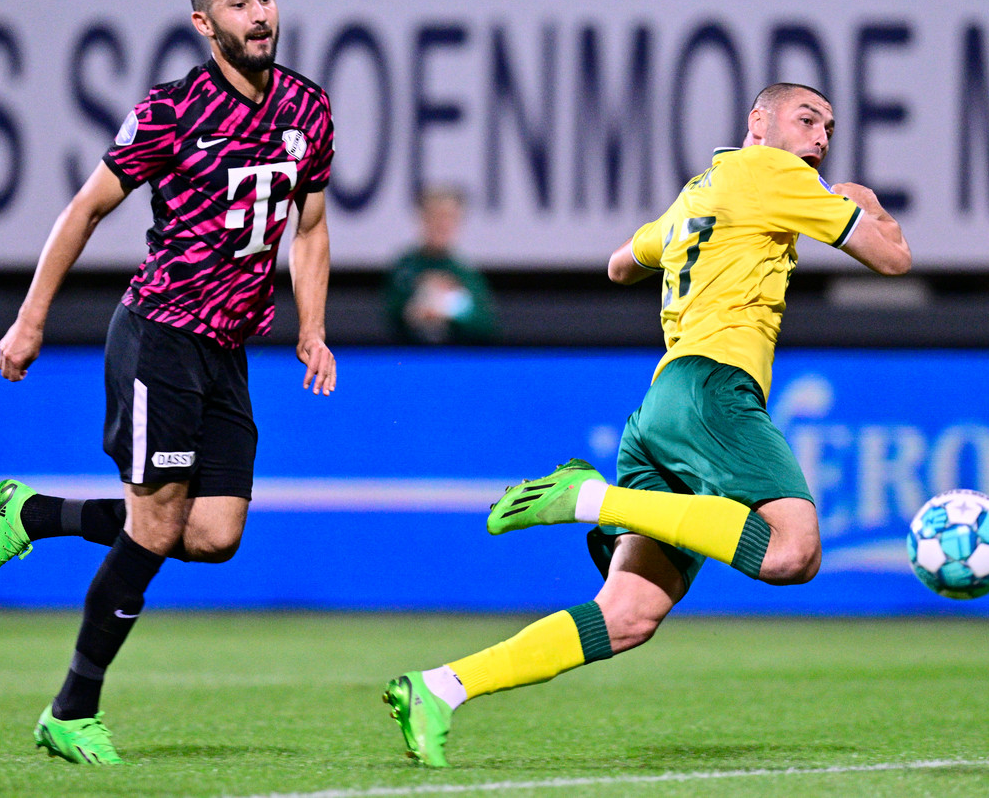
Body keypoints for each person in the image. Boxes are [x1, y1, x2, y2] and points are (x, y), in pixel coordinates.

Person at [384, 82, 910, 767]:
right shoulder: (776, 174)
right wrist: (865, 202)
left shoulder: (701, 191)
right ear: (759, 121)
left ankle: (440, 688)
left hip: (663, 405)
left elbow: (619, 264)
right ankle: (587, 498)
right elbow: (893, 258)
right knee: (792, 552)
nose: (820, 138)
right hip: (714, 390)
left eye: (829, 128)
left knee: (628, 614)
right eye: (807, 119)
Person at [0, 0, 336, 765]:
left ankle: (32, 515)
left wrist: (312, 327)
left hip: (227, 350)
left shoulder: (308, 106)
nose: (259, 14)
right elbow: (85, 209)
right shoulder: (171, 112)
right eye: (238, 3)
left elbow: (309, 226)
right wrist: (29, 321)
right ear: (205, 25)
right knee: (158, 525)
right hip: (159, 338)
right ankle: (72, 709)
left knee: (214, 535)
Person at [383, 185, 497, 344]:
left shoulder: (465, 273)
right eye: (435, 216)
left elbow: (486, 326)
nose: (442, 224)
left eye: (449, 217)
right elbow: (388, 315)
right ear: (423, 219)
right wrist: (414, 307)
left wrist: (454, 310)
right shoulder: (405, 268)